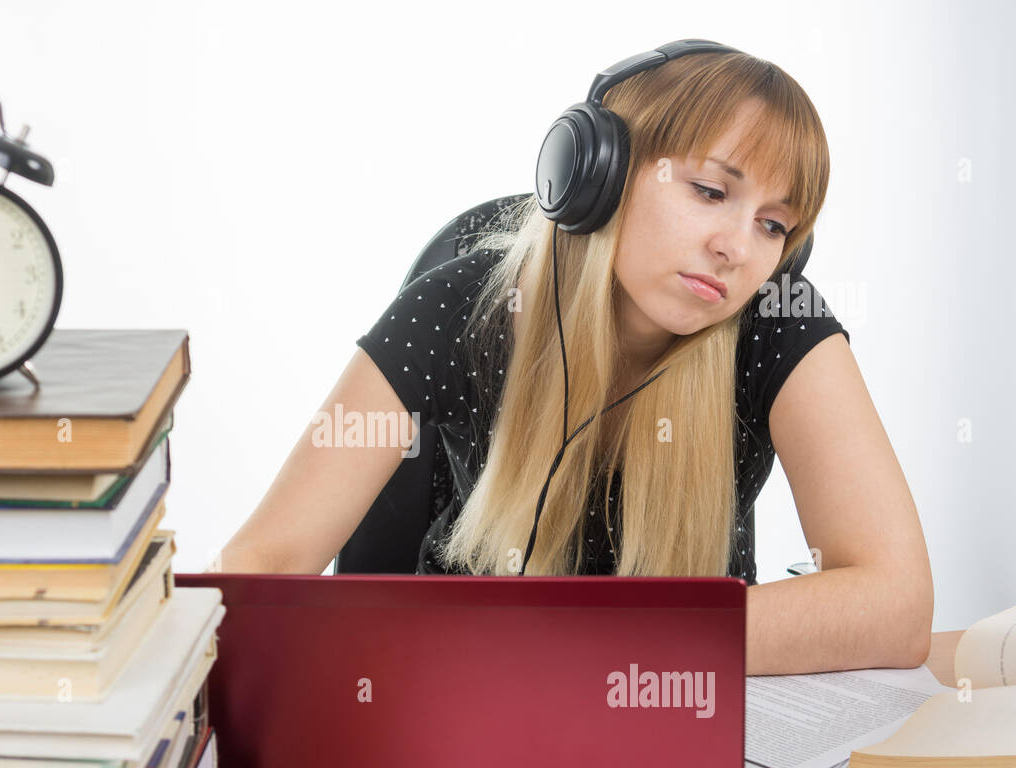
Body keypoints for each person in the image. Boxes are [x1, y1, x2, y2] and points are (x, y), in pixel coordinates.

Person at [219, 44, 933, 675]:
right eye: (711, 191)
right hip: (467, 698)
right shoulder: (463, 306)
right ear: (601, 175)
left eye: (773, 225)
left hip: (675, 704)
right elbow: (261, 565)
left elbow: (897, 601)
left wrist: (601, 646)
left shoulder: (774, 314)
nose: (738, 249)